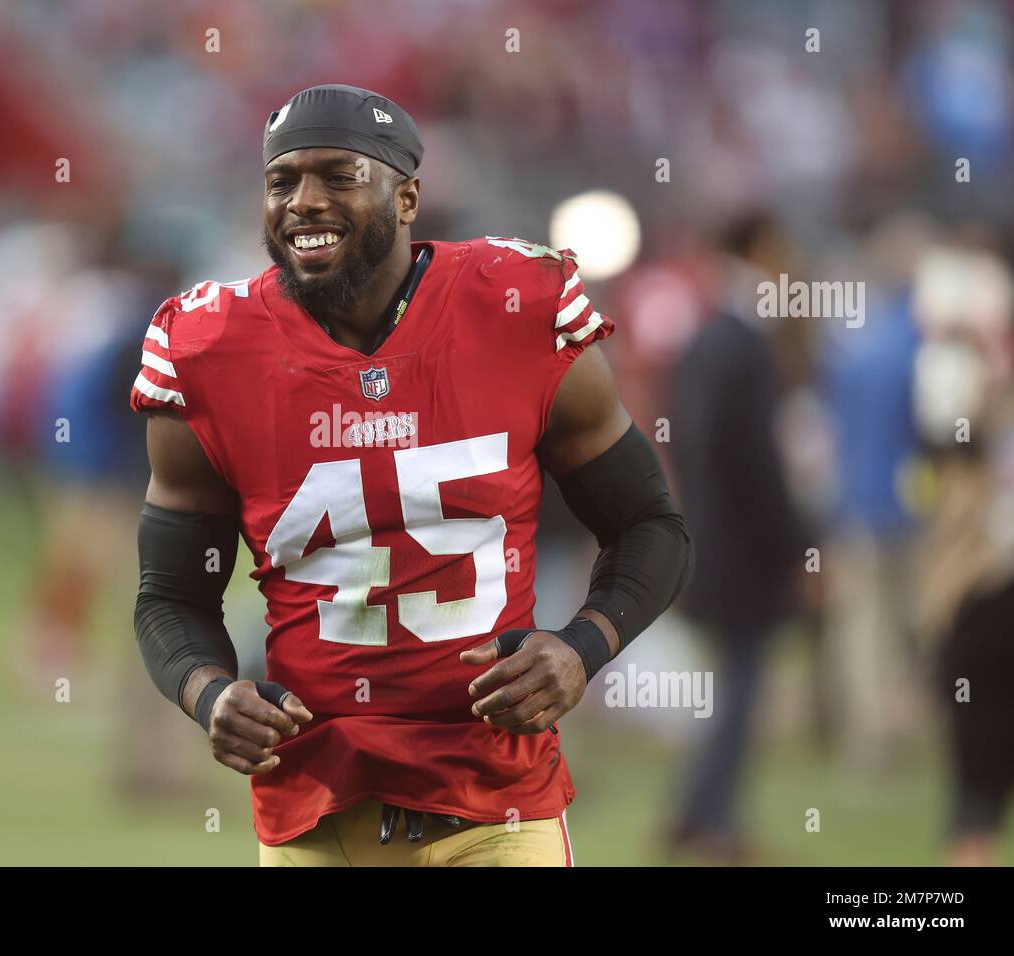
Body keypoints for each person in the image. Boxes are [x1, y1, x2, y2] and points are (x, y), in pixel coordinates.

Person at [130, 85, 691, 866]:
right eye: (282, 181)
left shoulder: (516, 307)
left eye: (338, 176)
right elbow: (169, 599)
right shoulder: (208, 350)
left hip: (499, 809)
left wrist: (581, 646)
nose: (304, 202)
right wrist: (209, 693)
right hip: (316, 818)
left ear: (407, 197)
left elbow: (649, 525)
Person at [665, 213, 812, 861]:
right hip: (746, 551)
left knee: (732, 690)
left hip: (706, 541)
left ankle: (697, 813)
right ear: (762, 247)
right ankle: (712, 822)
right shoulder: (745, 343)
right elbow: (759, 462)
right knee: (742, 692)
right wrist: (800, 544)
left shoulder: (700, 341)